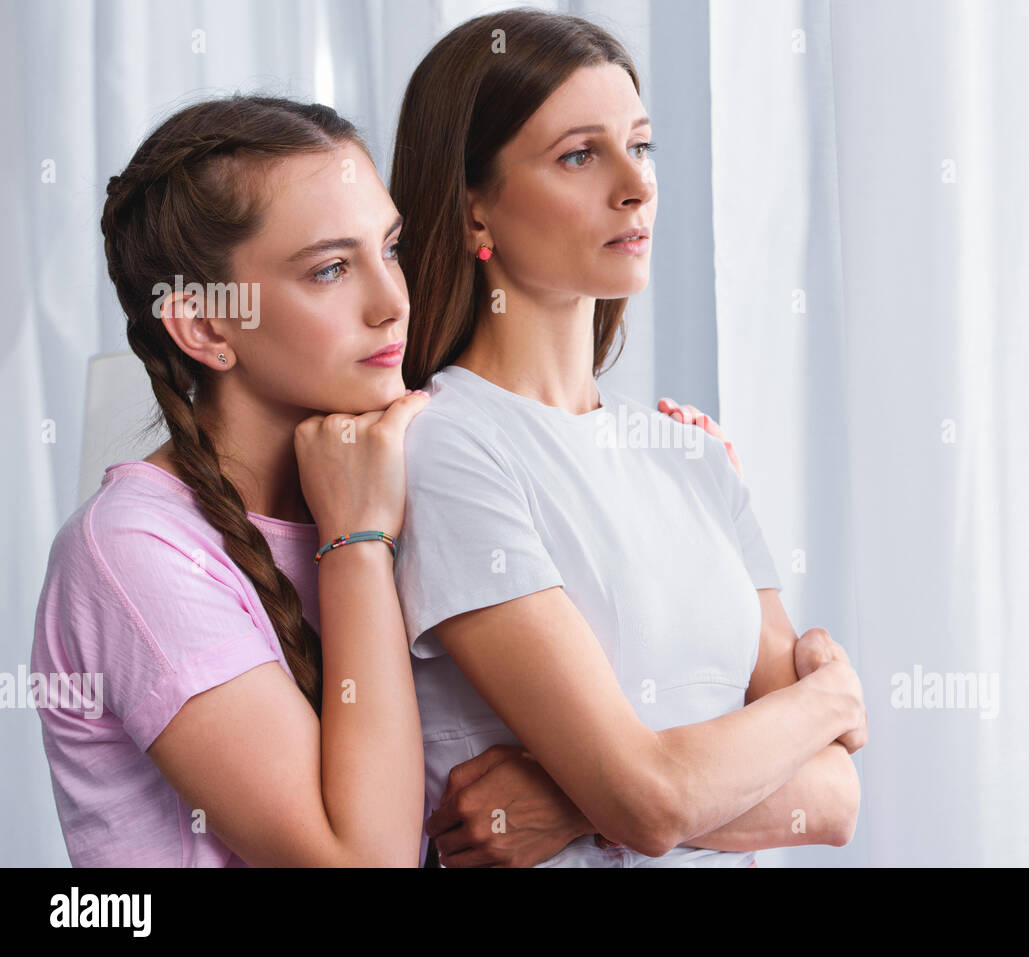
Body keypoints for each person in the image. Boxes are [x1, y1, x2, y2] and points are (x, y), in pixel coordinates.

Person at [389, 8, 867, 868]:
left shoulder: (691, 455)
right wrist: (830, 697)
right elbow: (652, 801)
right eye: (580, 154)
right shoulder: (447, 446)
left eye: (639, 146)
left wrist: (576, 803)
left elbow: (833, 800)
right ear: (472, 214)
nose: (635, 184)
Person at [30, 96, 430, 866]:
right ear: (206, 326)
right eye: (331, 269)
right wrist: (354, 543)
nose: (392, 302)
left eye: (392, 247)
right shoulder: (129, 551)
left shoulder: (397, 470)